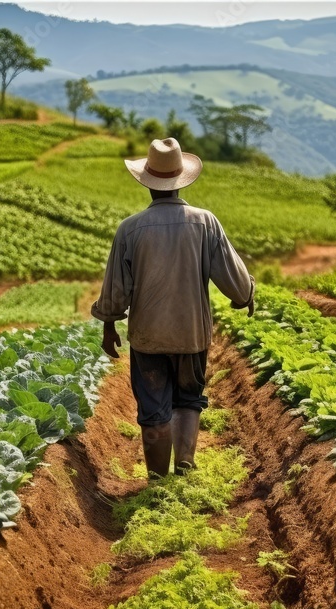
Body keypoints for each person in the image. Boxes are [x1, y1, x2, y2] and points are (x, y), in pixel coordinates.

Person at [91, 138, 255, 479]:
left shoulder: (130, 229)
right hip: (192, 333)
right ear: (181, 179)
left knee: (153, 410)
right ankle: (185, 463)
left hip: (148, 337)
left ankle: (157, 478)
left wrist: (109, 325)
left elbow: (116, 289)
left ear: (148, 183)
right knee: (188, 399)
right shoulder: (205, 222)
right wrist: (245, 296)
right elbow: (232, 277)